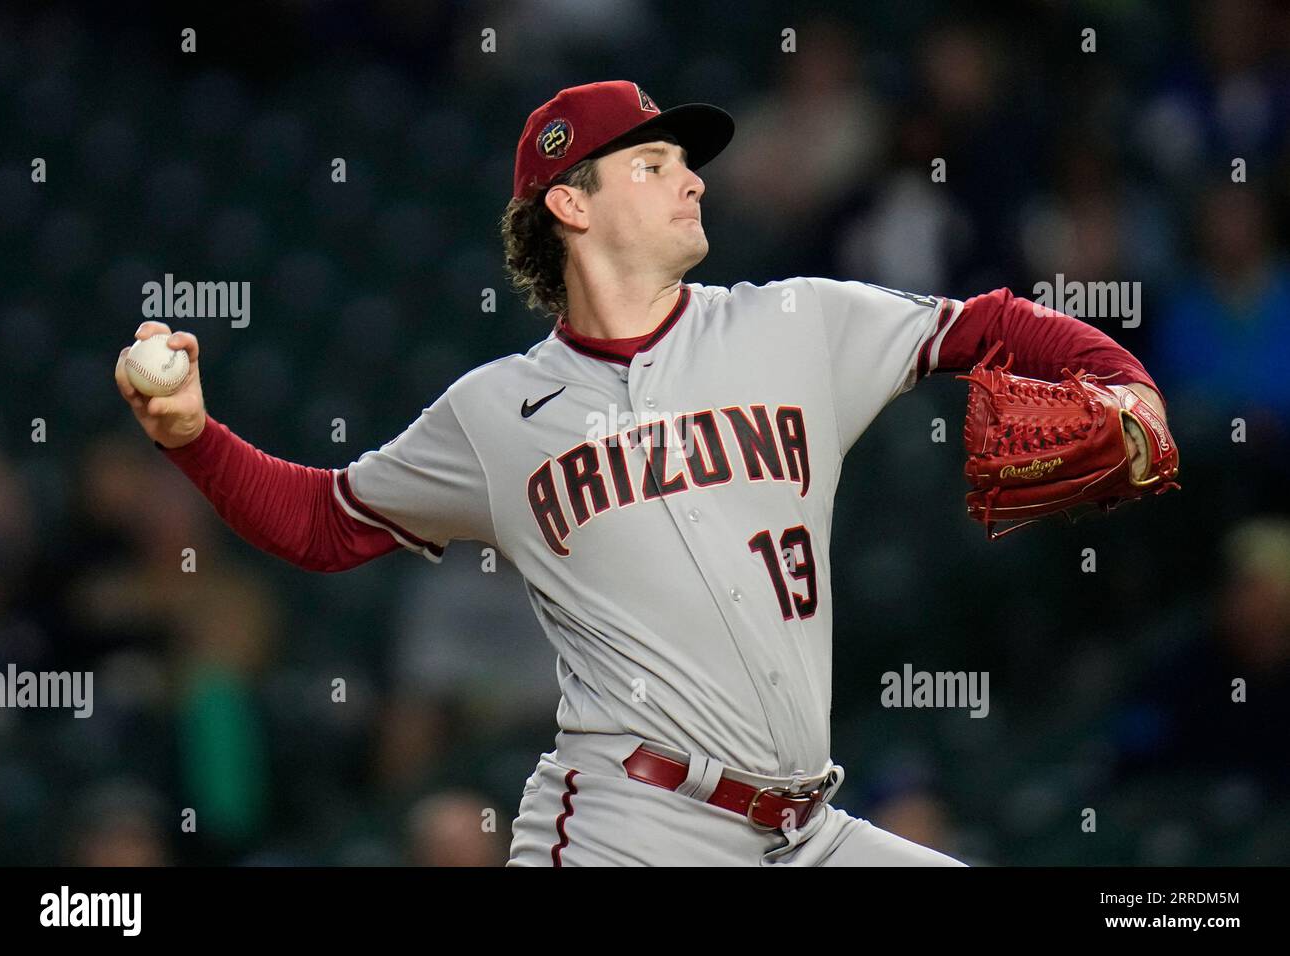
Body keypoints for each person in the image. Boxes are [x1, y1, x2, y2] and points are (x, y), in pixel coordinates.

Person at [115, 80, 1168, 866]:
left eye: (685, 160)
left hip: (809, 828)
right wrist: (190, 435)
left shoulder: (795, 322)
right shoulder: (494, 413)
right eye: (654, 163)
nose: (693, 175)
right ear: (570, 204)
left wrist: (1120, 381)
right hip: (631, 826)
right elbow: (322, 520)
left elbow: (984, 325)